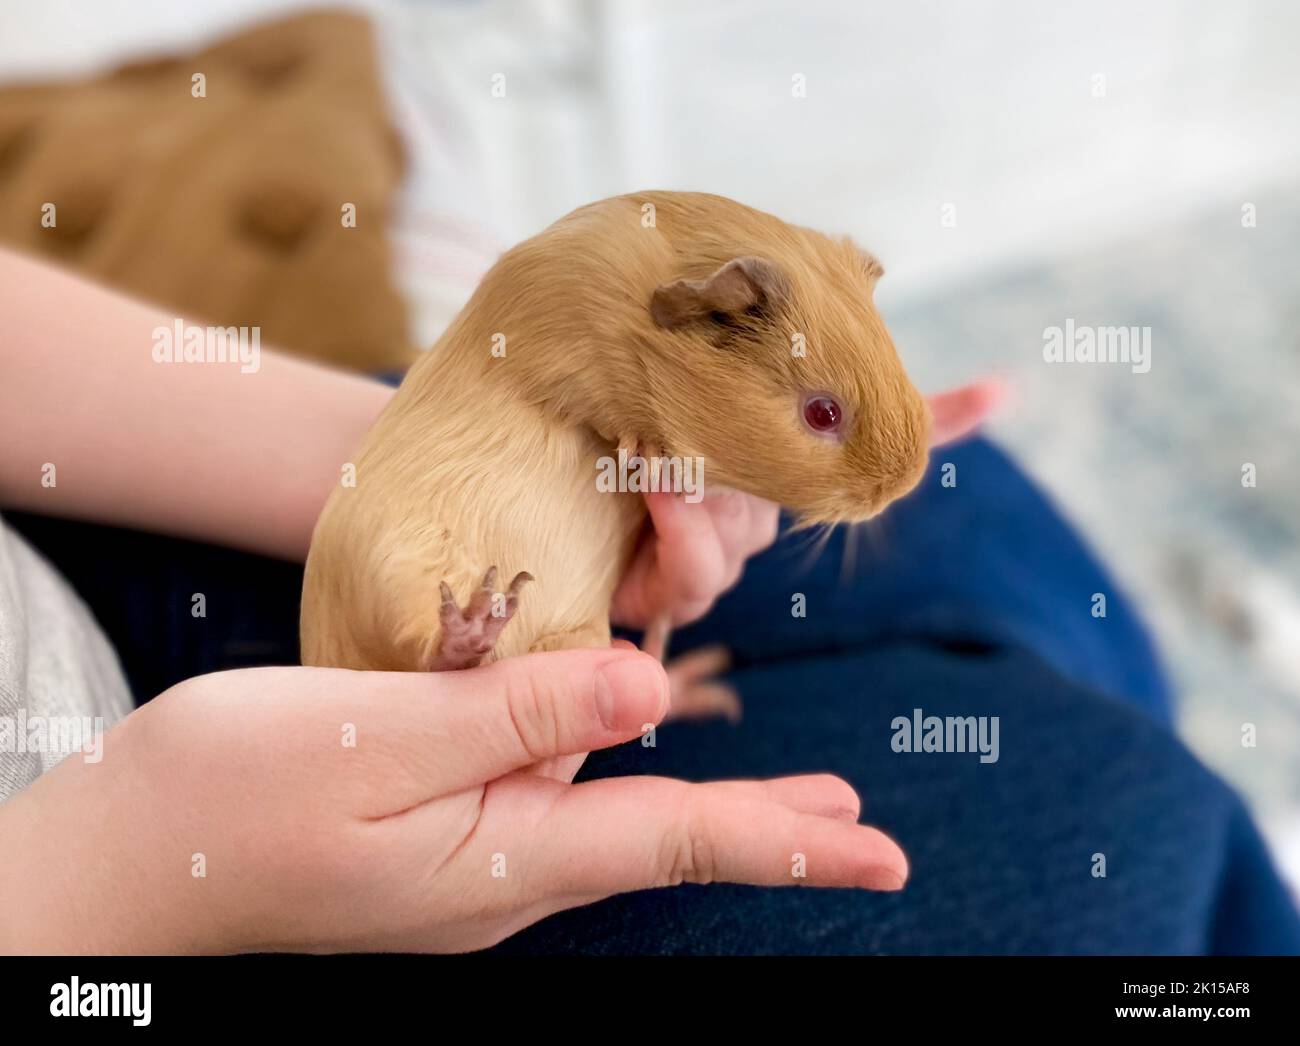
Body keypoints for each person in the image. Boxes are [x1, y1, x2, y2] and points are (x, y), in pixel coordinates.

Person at [1, 247, 1296, 953]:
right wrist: (128, 868)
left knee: (961, 507)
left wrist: (429, 457)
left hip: (57, 558)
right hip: (116, 886)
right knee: (1124, 810)